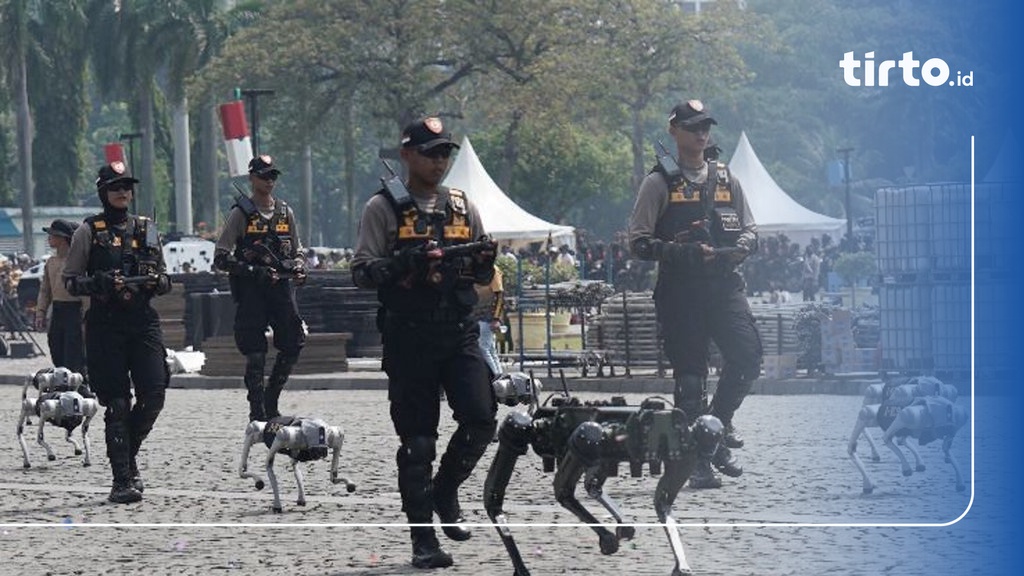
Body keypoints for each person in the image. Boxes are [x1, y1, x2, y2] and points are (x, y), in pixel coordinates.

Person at [351, 117, 498, 570]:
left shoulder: (462, 205)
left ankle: (445, 491)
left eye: (444, 153)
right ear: (407, 155)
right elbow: (360, 272)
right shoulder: (384, 208)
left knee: (481, 418)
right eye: (430, 152)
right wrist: (401, 265)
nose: (439, 161)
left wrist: (483, 262)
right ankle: (423, 540)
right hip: (409, 335)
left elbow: (479, 273)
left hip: (458, 332)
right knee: (417, 442)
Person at [628, 100, 762, 489]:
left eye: (705, 126)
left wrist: (745, 244)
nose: (701, 133)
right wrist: (679, 251)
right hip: (680, 291)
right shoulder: (659, 182)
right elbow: (638, 242)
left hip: (723, 285)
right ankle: (695, 461)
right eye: (692, 127)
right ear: (675, 131)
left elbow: (750, 227)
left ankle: (716, 430)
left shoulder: (725, 177)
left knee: (748, 356)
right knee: (690, 382)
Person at [63, 161, 173, 503]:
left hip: (142, 322)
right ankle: (121, 480)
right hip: (106, 324)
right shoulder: (88, 231)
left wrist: (158, 282)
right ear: (103, 192)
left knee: (154, 395)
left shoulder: (146, 228)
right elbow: (70, 281)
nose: (122, 191)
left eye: (126, 185)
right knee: (119, 404)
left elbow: (166, 278)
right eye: (115, 186)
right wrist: (101, 281)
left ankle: (128, 457)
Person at [213, 155, 307, 423]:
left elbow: (298, 249)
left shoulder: (285, 212)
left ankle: (271, 399)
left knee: (292, 343)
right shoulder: (240, 214)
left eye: (273, 176)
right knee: (255, 353)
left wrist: (299, 267)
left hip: (282, 290)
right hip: (253, 291)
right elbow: (221, 256)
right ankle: (257, 409)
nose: (270, 181)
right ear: (252, 178)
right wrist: (253, 270)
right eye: (264, 176)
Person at [35, 219, 87, 374]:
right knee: (55, 346)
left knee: (74, 352)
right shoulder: (51, 262)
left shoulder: (78, 262)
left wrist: (86, 317)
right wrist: (41, 313)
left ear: (63, 237)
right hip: (57, 310)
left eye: (52, 235)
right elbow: (45, 290)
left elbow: (85, 292)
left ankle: (79, 385)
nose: (49, 238)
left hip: (74, 310)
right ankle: (61, 381)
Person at [474, 264, 505, 378]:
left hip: (487, 316)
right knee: (490, 349)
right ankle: (498, 375)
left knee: (483, 348)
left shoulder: (492, 270)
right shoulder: (476, 269)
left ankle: (494, 375)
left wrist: (496, 318)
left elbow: (499, 295)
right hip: (478, 315)